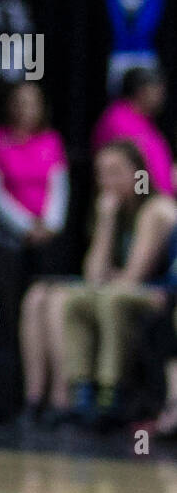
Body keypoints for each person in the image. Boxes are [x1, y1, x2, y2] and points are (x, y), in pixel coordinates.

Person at [61, 139, 177, 426]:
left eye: (115, 171)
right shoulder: (113, 211)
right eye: (102, 173)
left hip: (159, 293)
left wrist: (111, 279)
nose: (107, 181)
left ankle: (111, 391)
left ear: (139, 173)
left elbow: (133, 277)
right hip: (131, 291)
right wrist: (106, 220)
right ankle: (82, 391)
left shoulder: (156, 209)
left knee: (111, 298)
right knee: (75, 300)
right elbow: (93, 276)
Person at [0, 82, 69, 268]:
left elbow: (59, 187)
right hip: (5, 238)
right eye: (20, 103)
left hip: (47, 237)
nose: (26, 109)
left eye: (32, 103)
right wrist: (25, 227)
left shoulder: (51, 139)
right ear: (8, 104)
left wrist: (51, 225)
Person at [91, 66, 174, 197]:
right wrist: (145, 200)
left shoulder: (145, 120)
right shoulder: (119, 120)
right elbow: (127, 168)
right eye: (158, 90)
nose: (162, 96)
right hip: (137, 204)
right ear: (142, 91)